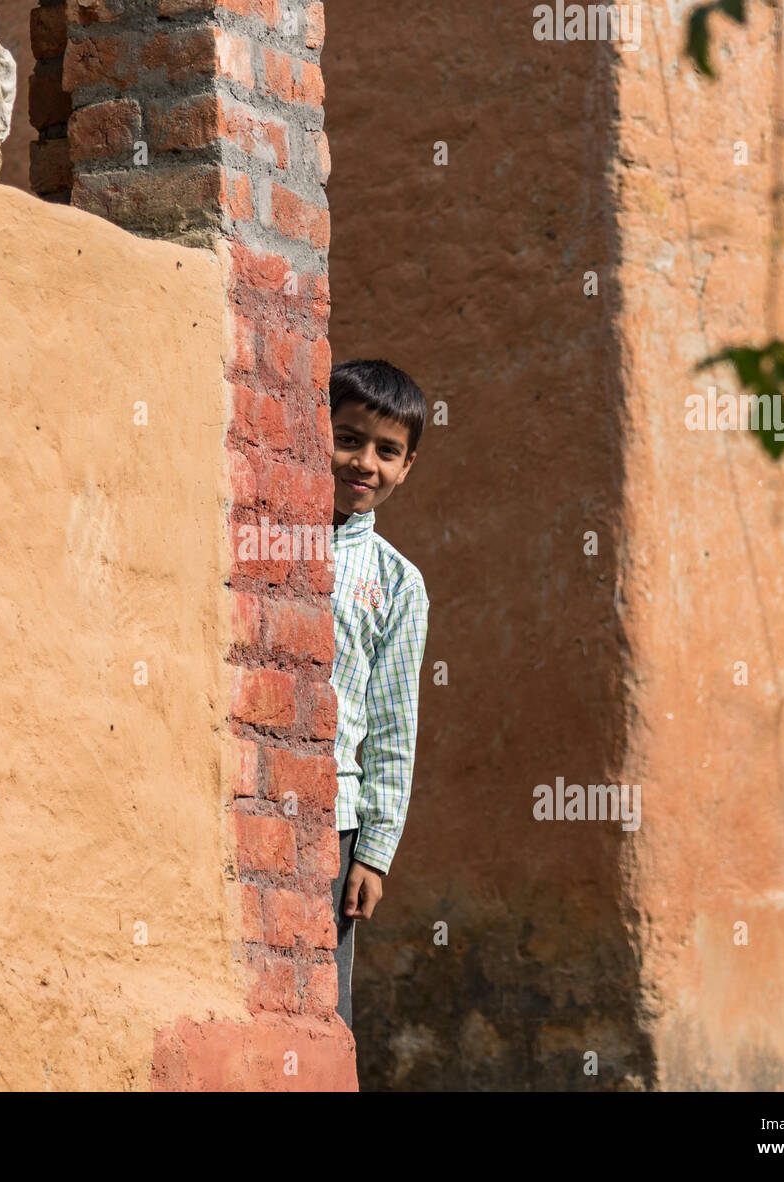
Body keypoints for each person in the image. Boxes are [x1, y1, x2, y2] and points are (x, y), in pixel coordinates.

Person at [326, 359, 430, 1031]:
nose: (364, 462)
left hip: (335, 820)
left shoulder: (398, 584)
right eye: (348, 437)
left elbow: (394, 726)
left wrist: (374, 852)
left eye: (386, 450)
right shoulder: (251, 532)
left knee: (320, 1004)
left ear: (406, 465)